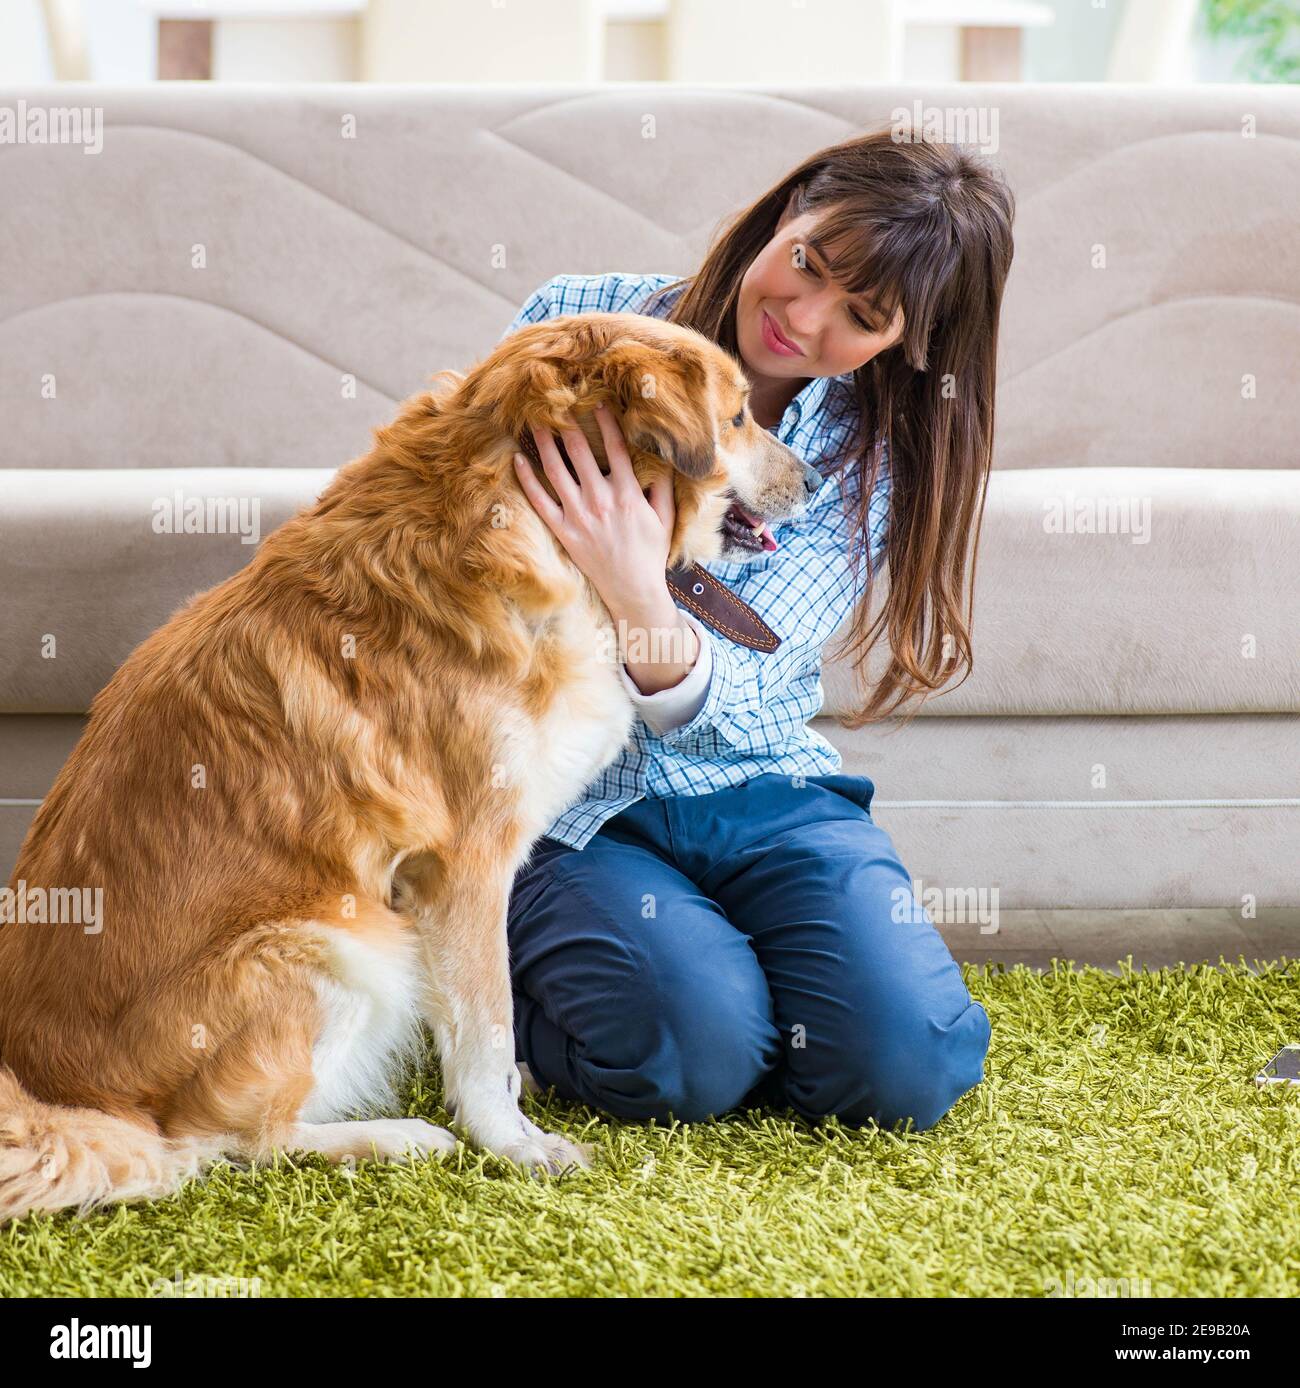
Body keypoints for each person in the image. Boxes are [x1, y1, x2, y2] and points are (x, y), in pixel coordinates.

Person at [502, 127, 1015, 1133]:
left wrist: (633, 584)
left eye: (860, 315)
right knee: (687, 1058)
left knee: (905, 1064)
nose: (801, 316)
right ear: (787, 212)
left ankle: (734, 984)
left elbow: (746, 687)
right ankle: (525, 996)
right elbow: (471, 548)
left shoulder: (880, 450)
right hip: (571, 799)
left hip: (759, 785)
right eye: (807, 261)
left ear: (904, 343)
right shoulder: (580, 319)